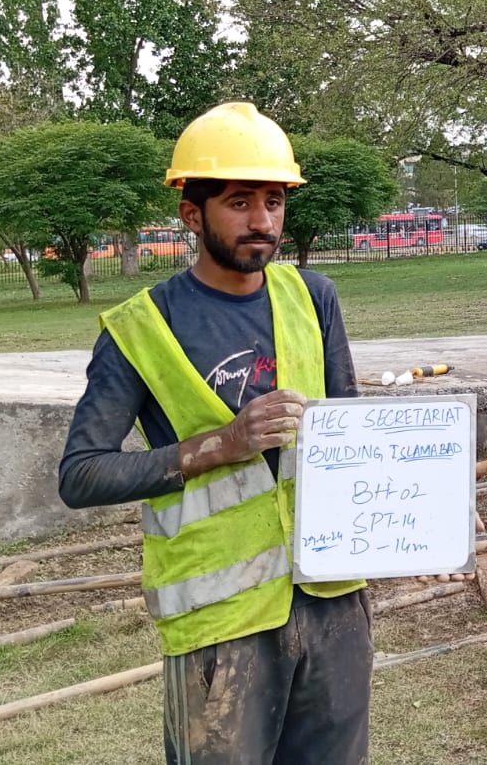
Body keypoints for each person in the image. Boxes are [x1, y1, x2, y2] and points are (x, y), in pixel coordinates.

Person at [58, 102, 372, 765]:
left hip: (331, 602)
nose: (262, 221)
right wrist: (221, 445)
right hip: (220, 619)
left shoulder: (314, 298)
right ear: (191, 213)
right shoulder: (139, 330)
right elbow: (81, 475)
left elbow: (353, 434)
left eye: (274, 200)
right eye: (239, 202)